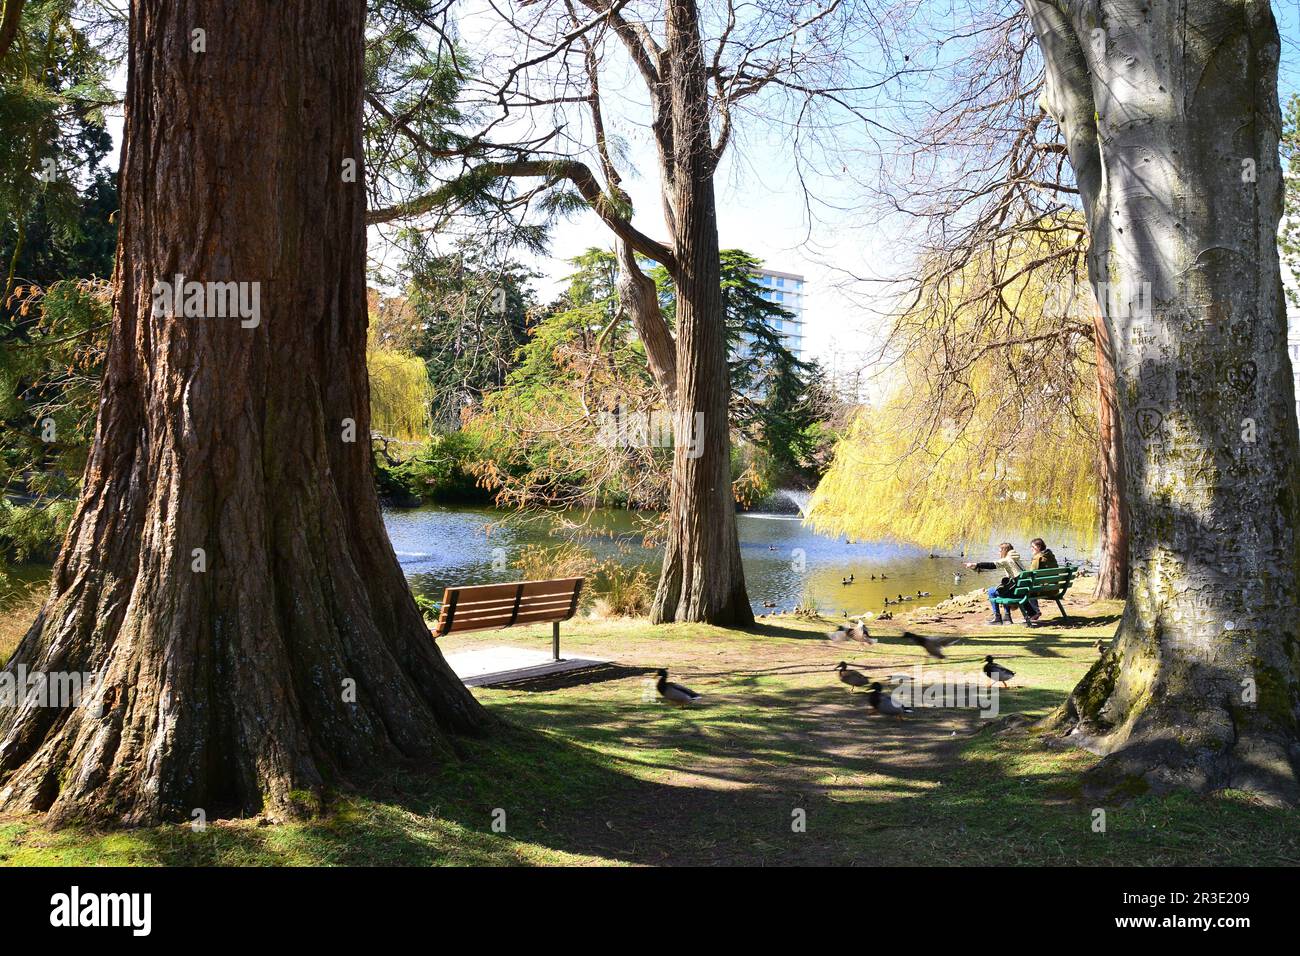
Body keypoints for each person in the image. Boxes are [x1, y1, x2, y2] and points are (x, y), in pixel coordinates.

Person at [964, 542, 1026, 625]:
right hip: (1021, 590)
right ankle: (1007, 617)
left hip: (1014, 591)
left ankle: (997, 618)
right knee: (1004, 589)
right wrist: (976, 568)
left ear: (1005, 550)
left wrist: (976, 564)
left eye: (1000, 550)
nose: (999, 552)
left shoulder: (1007, 560)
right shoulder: (1017, 559)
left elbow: (992, 565)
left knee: (991, 591)